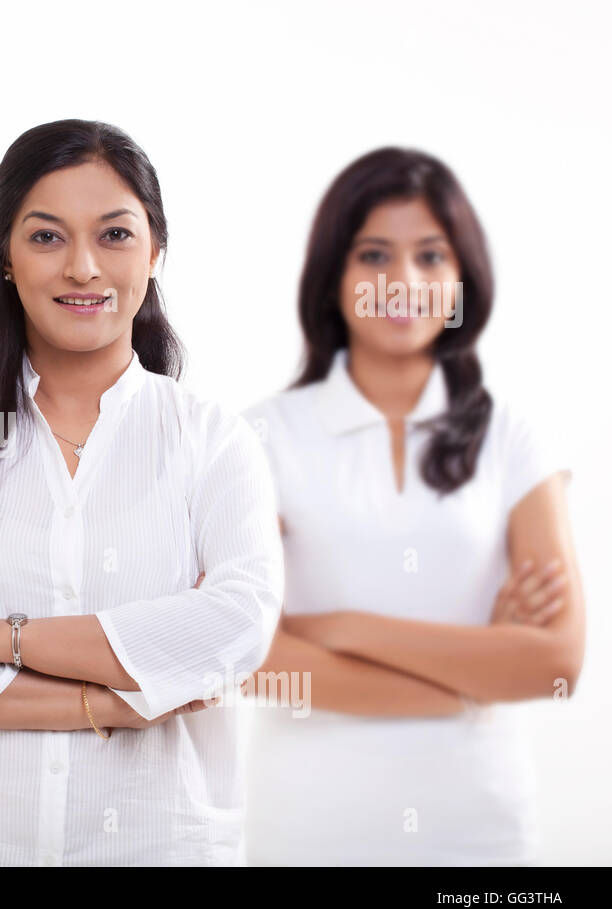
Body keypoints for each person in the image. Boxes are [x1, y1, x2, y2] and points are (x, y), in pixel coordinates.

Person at [0, 120, 284, 866]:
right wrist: (120, 699)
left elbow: (236, 630)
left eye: (115, 236)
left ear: (156, 252)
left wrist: (0, 640)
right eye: (48, 237)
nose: (83, 268)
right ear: (5, 258)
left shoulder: (211, 441)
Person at [241, 147, 585, 865]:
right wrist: (471, 677)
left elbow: (555, 662)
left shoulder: (511, 435)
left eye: (431, 257)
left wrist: (337, 627)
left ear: (462, 278)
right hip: (308, 831)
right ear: (333, 277)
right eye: (373, 256)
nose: (403, 282)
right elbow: (250, 659)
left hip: (479, 834)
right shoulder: (263, 437)